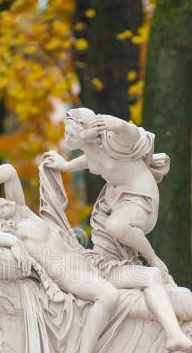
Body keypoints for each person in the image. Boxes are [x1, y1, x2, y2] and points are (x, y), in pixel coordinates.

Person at [0, 163, 192, 353]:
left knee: (151, 275)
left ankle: (174, 335)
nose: (3, 200)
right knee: (108, 295)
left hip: (89, 262)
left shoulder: (23, 212)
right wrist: (12, 242)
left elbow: (9, 172)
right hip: (70, 275)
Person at [40, 108, 170, 274]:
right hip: (113, 199)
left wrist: (119, 125)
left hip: (139, 195)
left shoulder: (112, 141)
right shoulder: (91, 149)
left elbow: (134, 136)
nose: (66, 139)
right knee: (105, 255)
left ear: (86, 132)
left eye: (71, 135)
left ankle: (153, 259)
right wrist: (66, 166)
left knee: (116, 226)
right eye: (66, 134)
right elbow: (92, 159)